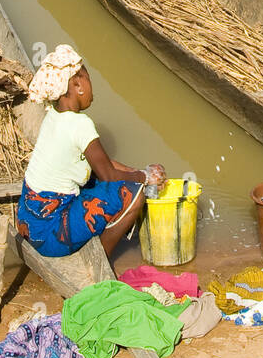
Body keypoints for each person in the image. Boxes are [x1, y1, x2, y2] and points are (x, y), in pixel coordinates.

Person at [16, 45, 165, 258]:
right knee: (133, 195)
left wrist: (136, 172)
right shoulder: (80, 124)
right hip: (49, 237)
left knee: (111, 181)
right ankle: (102, 257)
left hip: (28, 222)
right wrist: (145, 177)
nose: (92, 88)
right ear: (77, 84)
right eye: (88, 79)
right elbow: (108, 174)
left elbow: (101, 162)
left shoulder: (54, 115)